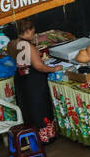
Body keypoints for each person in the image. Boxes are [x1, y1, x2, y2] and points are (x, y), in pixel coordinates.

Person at [9, 18, 61, 146]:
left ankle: (31, 137)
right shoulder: (29, 47)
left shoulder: (11, 44)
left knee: (27, 106)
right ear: (27, 31)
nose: (33, 34)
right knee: (39, 107)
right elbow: (38, 66)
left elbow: (15, 58)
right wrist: (54, 68)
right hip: (33, 80)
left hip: (21, 78)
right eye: (32, 32)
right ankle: (44, 138)